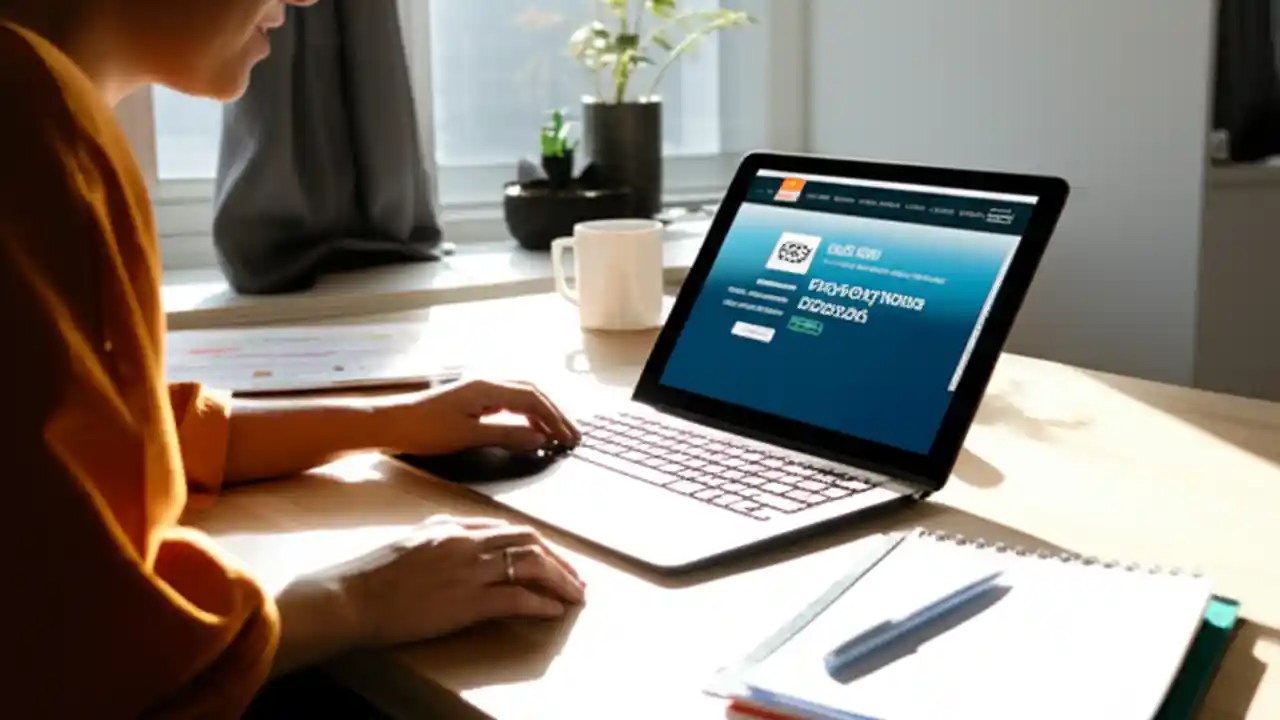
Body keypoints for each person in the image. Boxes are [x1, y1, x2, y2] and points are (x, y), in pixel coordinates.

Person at [0, 1, 587, 716]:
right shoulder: (25, 127)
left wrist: (390, 420)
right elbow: (89, 665)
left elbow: (124, 442)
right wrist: (358, 596)